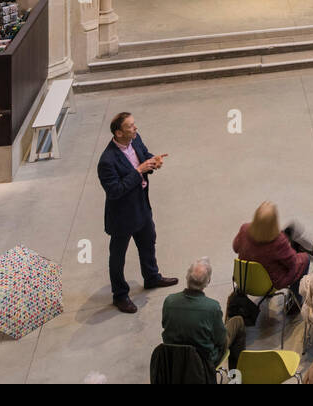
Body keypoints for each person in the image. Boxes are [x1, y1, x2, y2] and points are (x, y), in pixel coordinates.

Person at [97, 111, 177, 313]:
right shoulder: (107, 161)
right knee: (118, 258)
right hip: (122, 215)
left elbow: (144, 156)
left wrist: (153, 161)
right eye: (130, 126)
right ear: (118, 133)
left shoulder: (135, 139)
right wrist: (139, 170)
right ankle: (120, 295)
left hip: (141, 205)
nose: (135, 128)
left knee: (149, 242)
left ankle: (151, 277)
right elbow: (115, 191)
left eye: (134, 124)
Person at [162, 258, 245, 374]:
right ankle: (235, 378)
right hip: (203, 363)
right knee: (238, 322)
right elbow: (221, 340)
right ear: (208, 281)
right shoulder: (212, 307)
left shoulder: (169, 301)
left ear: (187, 278)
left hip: (174, 359)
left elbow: (165, 325)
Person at [232, 201, 310, 299]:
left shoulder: (244, 229)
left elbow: (235, 247)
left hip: (244, 278)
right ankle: (294, 301)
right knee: (305, 258)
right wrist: (290, 248)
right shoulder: (278, 242)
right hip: (271, 282)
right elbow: (292, 263)